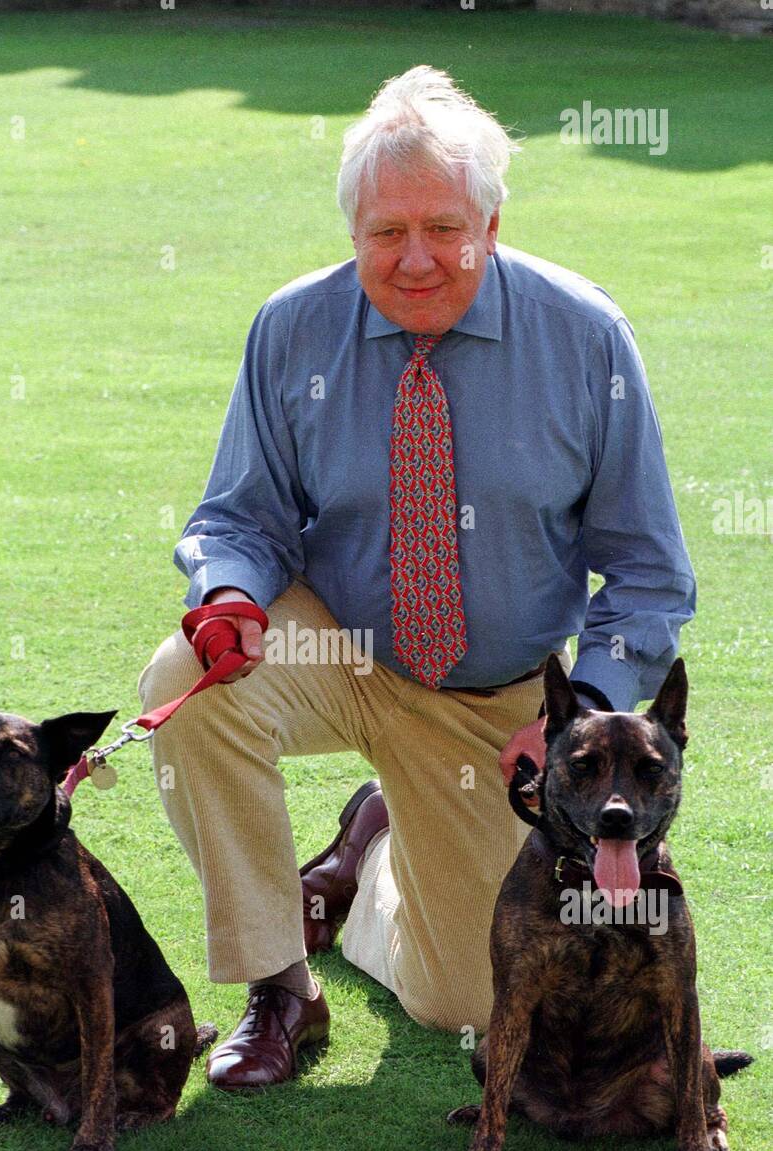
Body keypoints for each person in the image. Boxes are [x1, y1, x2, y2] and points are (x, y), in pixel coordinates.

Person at [137, 66, 695, 1090]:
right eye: (385, 233)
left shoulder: (585, 338)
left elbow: (650, 577)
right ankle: (279, 988)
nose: (416, 259)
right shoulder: (291, 329)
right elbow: (240, 516)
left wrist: (588, 714)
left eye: (443, 227)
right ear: (352, 229)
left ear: (491, 219)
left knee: (466, 1002)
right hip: (335, 643)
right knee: (183, 684)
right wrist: (226, 592)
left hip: (499, 697)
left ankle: (368, 860)